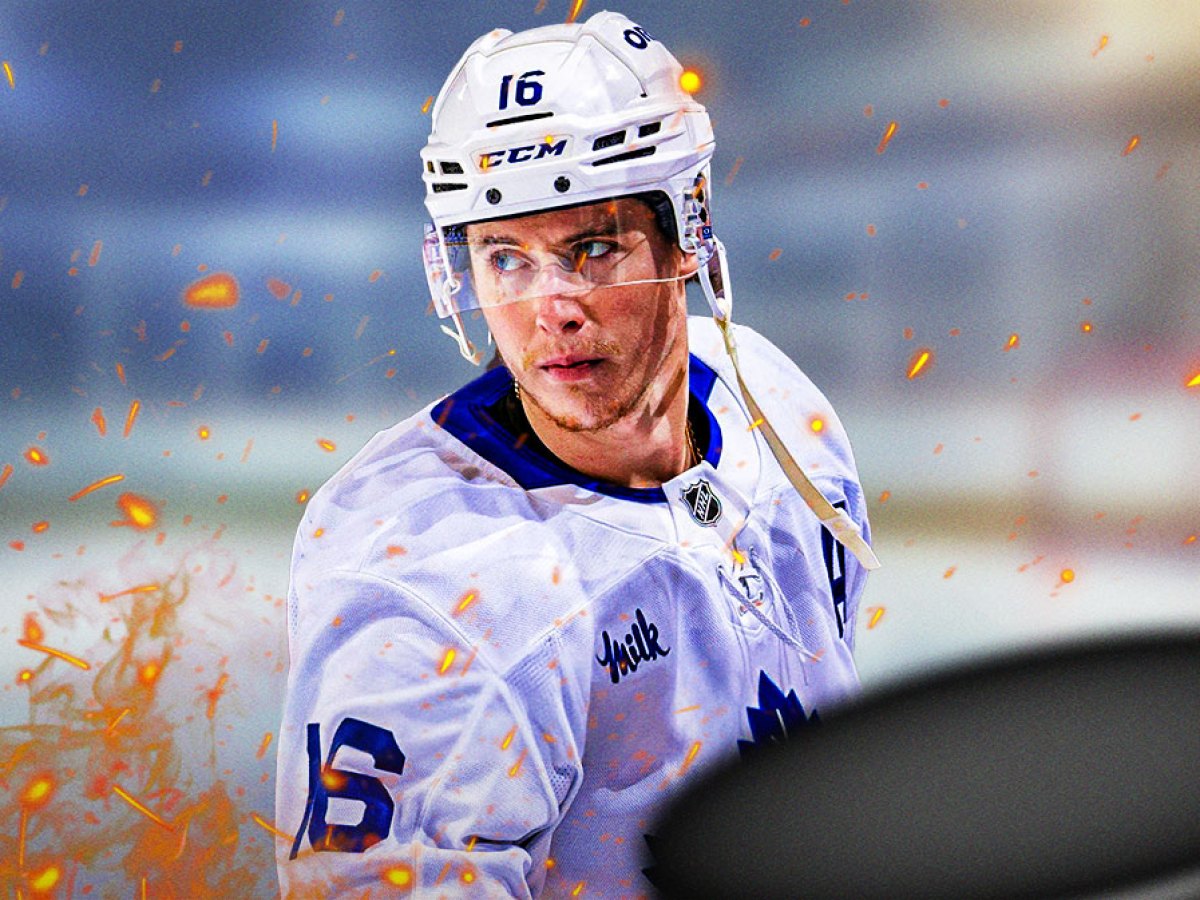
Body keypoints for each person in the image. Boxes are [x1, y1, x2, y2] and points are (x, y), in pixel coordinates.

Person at [276, 11, 878, 898]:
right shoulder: (434, 580)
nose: (551, 309)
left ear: (688, 230)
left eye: (591, 249)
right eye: (505, 258)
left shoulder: (778, 411)